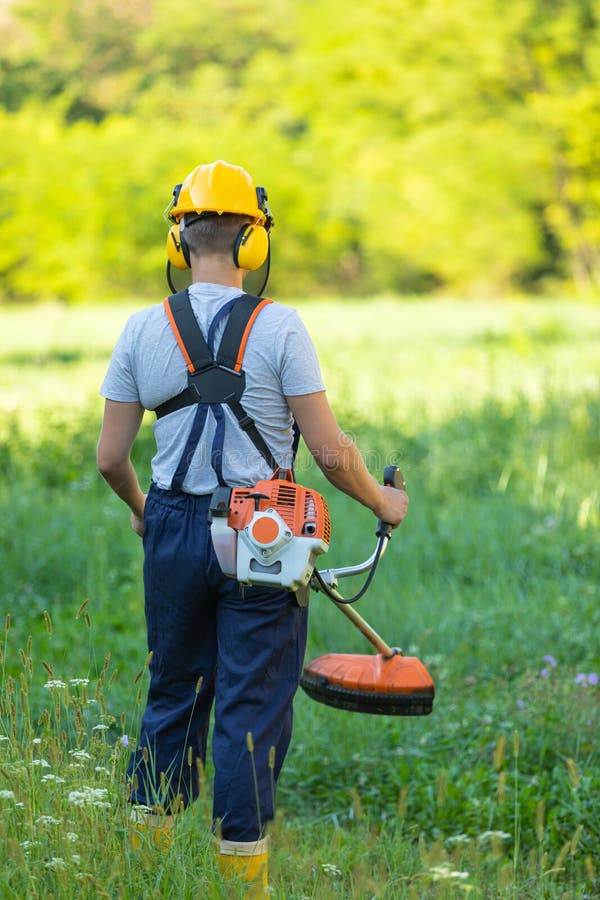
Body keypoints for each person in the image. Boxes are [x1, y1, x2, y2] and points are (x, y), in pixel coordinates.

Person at [96, 160, 408, 895]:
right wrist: (381, 503)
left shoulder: (142, 328)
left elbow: (111, 457)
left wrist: (147, 513)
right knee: (248, 710)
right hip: (264, 535)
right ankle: (243, 884)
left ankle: (148, 871)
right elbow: (330, 453)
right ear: (253, 244)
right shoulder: (282, 326)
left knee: (173, 691)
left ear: (179, 241)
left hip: (173, 524)